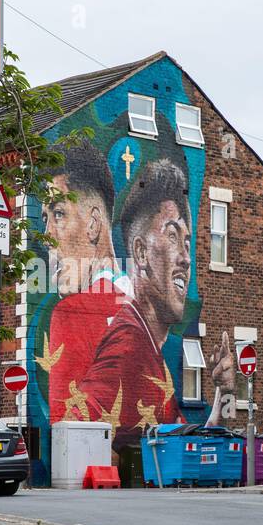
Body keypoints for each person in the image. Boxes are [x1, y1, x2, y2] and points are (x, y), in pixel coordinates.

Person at [65, 155, 234, 450]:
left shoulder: (148, 346)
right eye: (172, 236)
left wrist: (223, 394)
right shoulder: (130, 343)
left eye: (187, 242)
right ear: (140, 253)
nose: (185, 257)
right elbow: (78, 425)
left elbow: (184, 445)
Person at [38, 141, 131, 422]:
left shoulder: (70, 313)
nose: (47, 237)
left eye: (58, 214)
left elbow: (65, 426)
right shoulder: (143, 308)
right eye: (45, 219)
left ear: (93, 224)